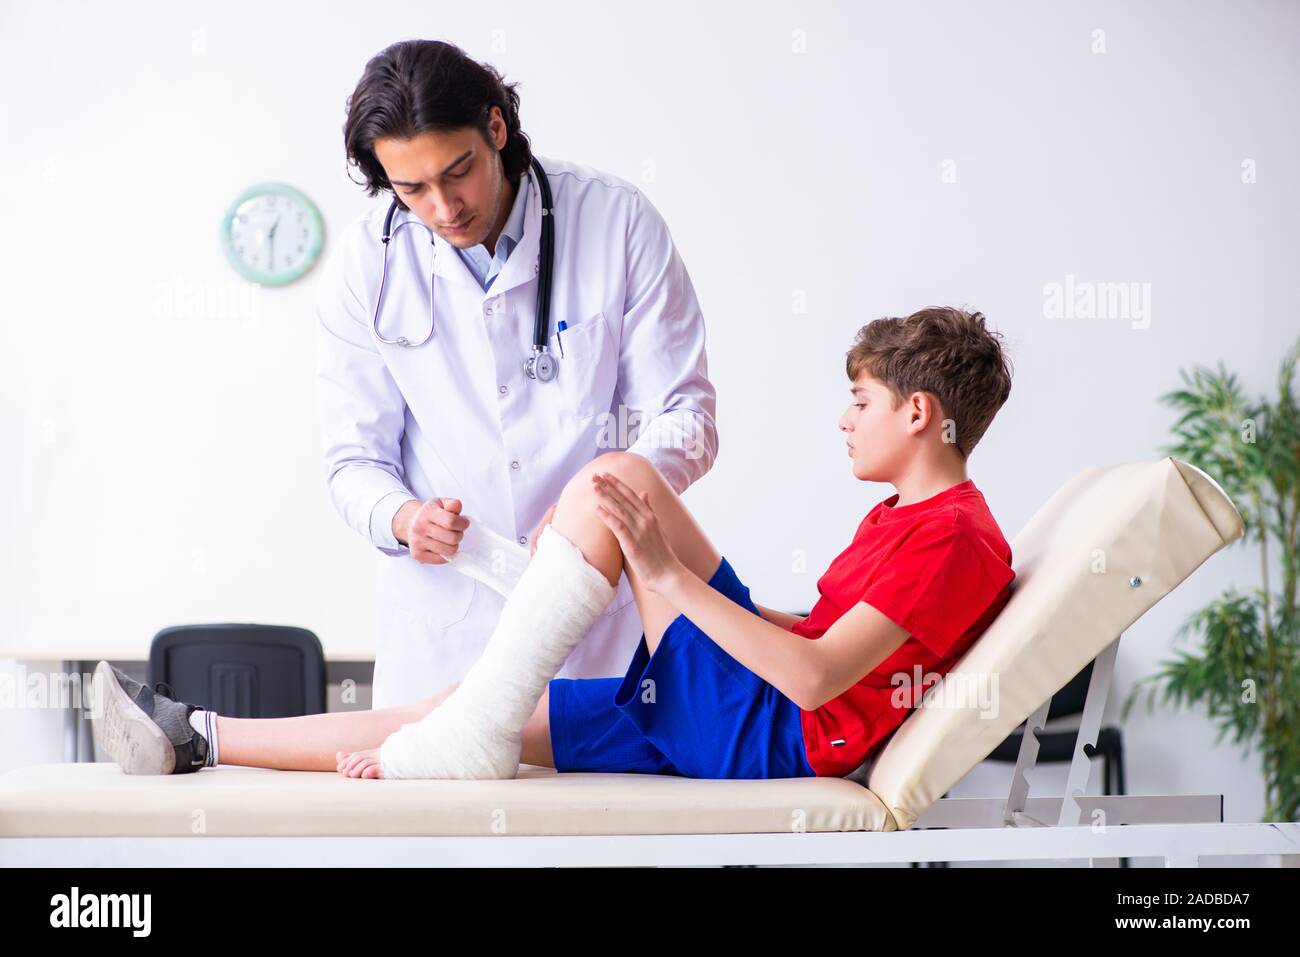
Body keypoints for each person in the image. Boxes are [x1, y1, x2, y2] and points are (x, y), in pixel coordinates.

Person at [91, 307, 1016, 781]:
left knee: (621, 480)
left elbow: (816, 680)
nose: (845, 421)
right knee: (464, 707)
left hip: (767, 732)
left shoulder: (953, 539)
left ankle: (528, 593)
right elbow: (814, 632)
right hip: (745, 712)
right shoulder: (909, 519)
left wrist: (660, 574)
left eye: (861, 402)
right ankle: (199, 737)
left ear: (919, 412)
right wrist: (680, 583)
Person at [316, 39, 718, 709]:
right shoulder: (367, 263)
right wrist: (403, 517)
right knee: (440, 790)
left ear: (496, 128)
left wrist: (600, 500)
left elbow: (687, 418)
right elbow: (352, 460)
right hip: (447, 625)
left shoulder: (616, 222)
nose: (444, 209)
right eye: (411, 189)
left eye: (458, 172)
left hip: (598, 617)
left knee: (598, 800)